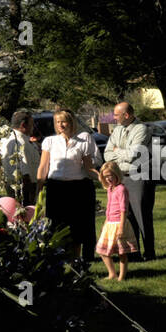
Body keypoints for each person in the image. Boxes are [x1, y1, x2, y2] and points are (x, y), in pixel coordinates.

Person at [36, 108, 99, 258]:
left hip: (78, 189)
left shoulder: (83, 140)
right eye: (57, 122)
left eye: (63, 121)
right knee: (57, 227)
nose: (60, 125)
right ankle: (60, 262)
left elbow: (89, 168)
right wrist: (38, 189)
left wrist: (104, 178)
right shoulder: (49, 142)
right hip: (56, 189)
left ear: (71, 122)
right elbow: (43, 166)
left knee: (77, 229)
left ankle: (76, 262)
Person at [103, 101, 154, 260]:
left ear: (127, 115)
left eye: (116, 115)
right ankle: (133, 252)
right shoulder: (117, 130)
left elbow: (134, 155)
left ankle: (149, 252)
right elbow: (107, 154)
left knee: (141, 215)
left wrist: (118, 152)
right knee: (127, 216)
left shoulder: (142, 129)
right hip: (121, 177)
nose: (114, 118)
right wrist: (122, 154)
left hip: (138, 176)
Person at [95, 161, 138, 280]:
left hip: (119, 223)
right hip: (110, 223)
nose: (108, 179)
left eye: (110, 175)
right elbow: (109, 207)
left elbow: (124, 209)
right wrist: (106, 222)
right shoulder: (110, 189)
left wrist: (121, 226)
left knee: (121, 253)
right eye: (105, 176)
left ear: (116, 174)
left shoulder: (121, 189)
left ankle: (121, 277)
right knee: (102, 250)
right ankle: (112, 273)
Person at [0, 109, 40, 208]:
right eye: (31, 124)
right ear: (23, 125)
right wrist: (30, 198)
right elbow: (25, 173)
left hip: (8, 187)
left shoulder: (5, 139)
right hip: (22, 191)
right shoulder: (20, 142)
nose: (33, 127)